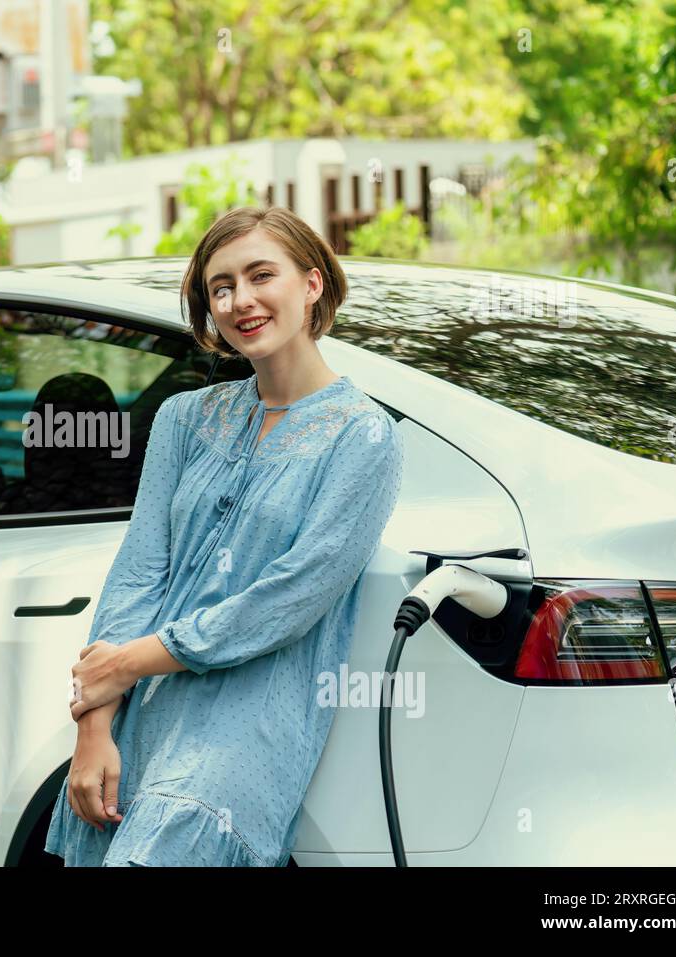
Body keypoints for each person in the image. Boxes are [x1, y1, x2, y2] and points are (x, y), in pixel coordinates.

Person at [42, 205, 406, 866]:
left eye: (261, 275)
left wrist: (127, 662)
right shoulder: (183, 418)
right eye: (221, 287)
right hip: (140, 719)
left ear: (312, 283)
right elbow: (139, 570)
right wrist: (95, 723)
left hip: (243, 733)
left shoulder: (364, 435)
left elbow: (289, 598)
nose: (241, 300)